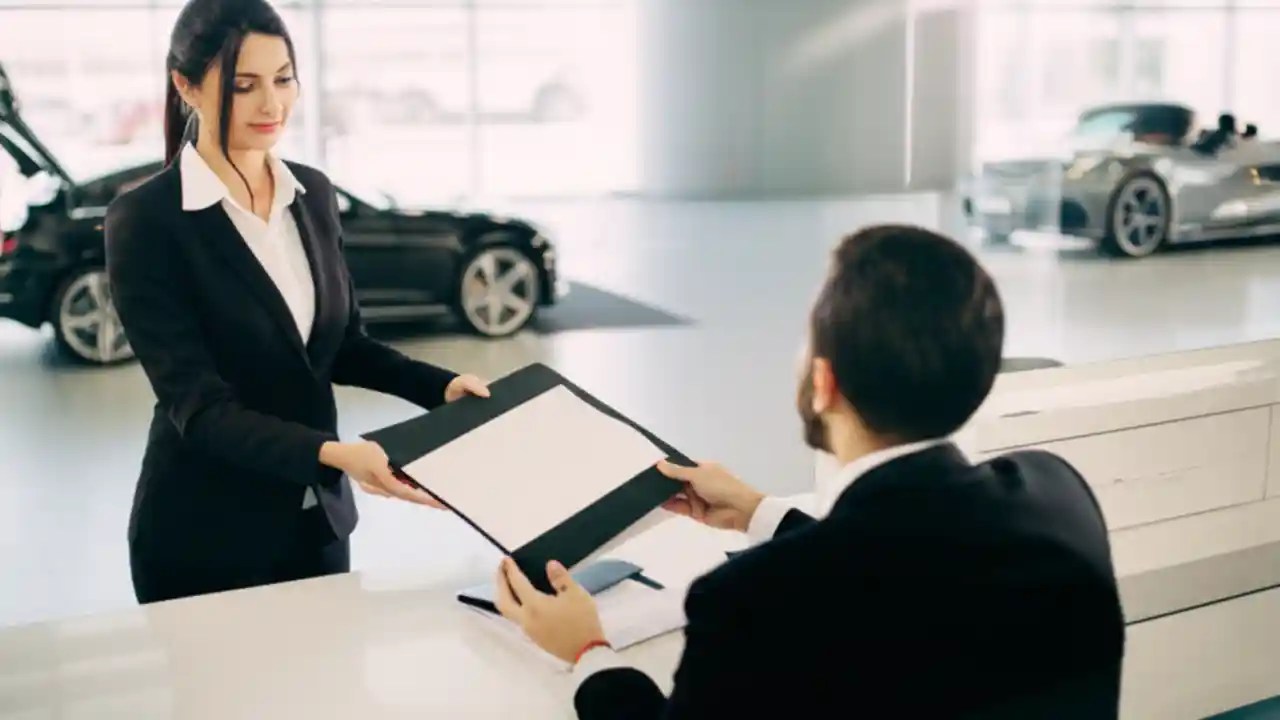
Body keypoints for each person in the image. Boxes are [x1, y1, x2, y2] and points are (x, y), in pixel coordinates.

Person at [495, 225, 1126, 718]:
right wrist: (762, 514)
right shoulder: (1057, 493)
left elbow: (854, 583)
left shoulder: (753, 602)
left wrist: (587, 651)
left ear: (823, 384)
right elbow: (901, 574)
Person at [104, 0, 490, 604]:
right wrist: (335, 454)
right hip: (203, 537)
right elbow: (198, 408)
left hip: (317, 522)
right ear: (186, 85)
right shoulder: (146, 221)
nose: (271, 105)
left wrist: (441, 389)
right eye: (244, 84)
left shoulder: (311, 193)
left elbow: (343, 346)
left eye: (283, 79)